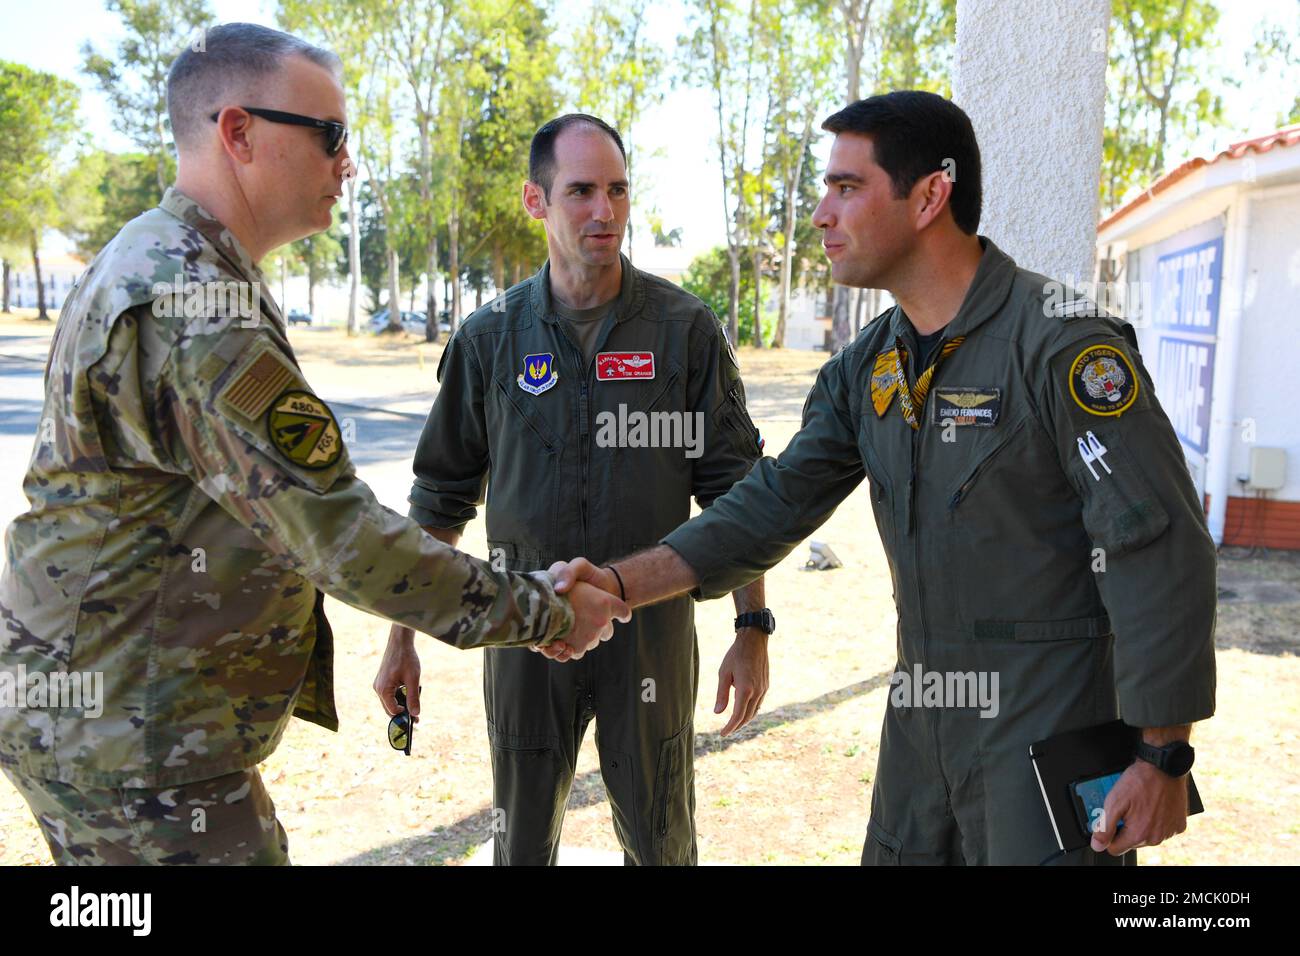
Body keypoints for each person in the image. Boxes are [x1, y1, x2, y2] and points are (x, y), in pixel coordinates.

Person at [0, 24, 627, 867]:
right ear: (238, 132)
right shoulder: (196, 303)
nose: (348, 163)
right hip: (134, 741)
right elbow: (339, 536)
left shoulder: (164, 260)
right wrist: (546, 611)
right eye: (330, 135)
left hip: (110, 715)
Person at [548, 91, 1217, 866]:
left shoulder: (1061, 346)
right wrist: (621, 584)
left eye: (847, 187)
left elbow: (1156, 543)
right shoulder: (870, 365)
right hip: (921, 727)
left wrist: (1163, 751)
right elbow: (772, 503)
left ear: (931, 194)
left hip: (1048, 729)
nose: (822, 214)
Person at [373, 114, 770, 866]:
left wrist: (753, 630)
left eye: (617, 190)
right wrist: (402, 641)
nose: (605, 211)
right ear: (536, 201)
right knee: (518, 845)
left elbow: (735, 493)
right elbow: (440, 497)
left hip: (649, 631)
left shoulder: (684, 329)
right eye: (582, 191)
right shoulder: (488, 339)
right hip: (526, 632)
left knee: (662, 843)